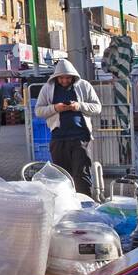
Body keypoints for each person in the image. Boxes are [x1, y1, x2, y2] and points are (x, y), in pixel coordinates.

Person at [34, 59, 102, 195]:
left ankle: (85, 206)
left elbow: (97, 107)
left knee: (82, 174)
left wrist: (79, 106)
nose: (64, 81)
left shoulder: (84, 85)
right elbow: (38, 111)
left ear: (73, 76)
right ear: (56, 77)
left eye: (68, 78)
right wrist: (55, 108)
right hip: (58, 138)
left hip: (81, 137)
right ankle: (66, 204)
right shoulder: (47, 88)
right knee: (62, 176)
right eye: (61, 78)